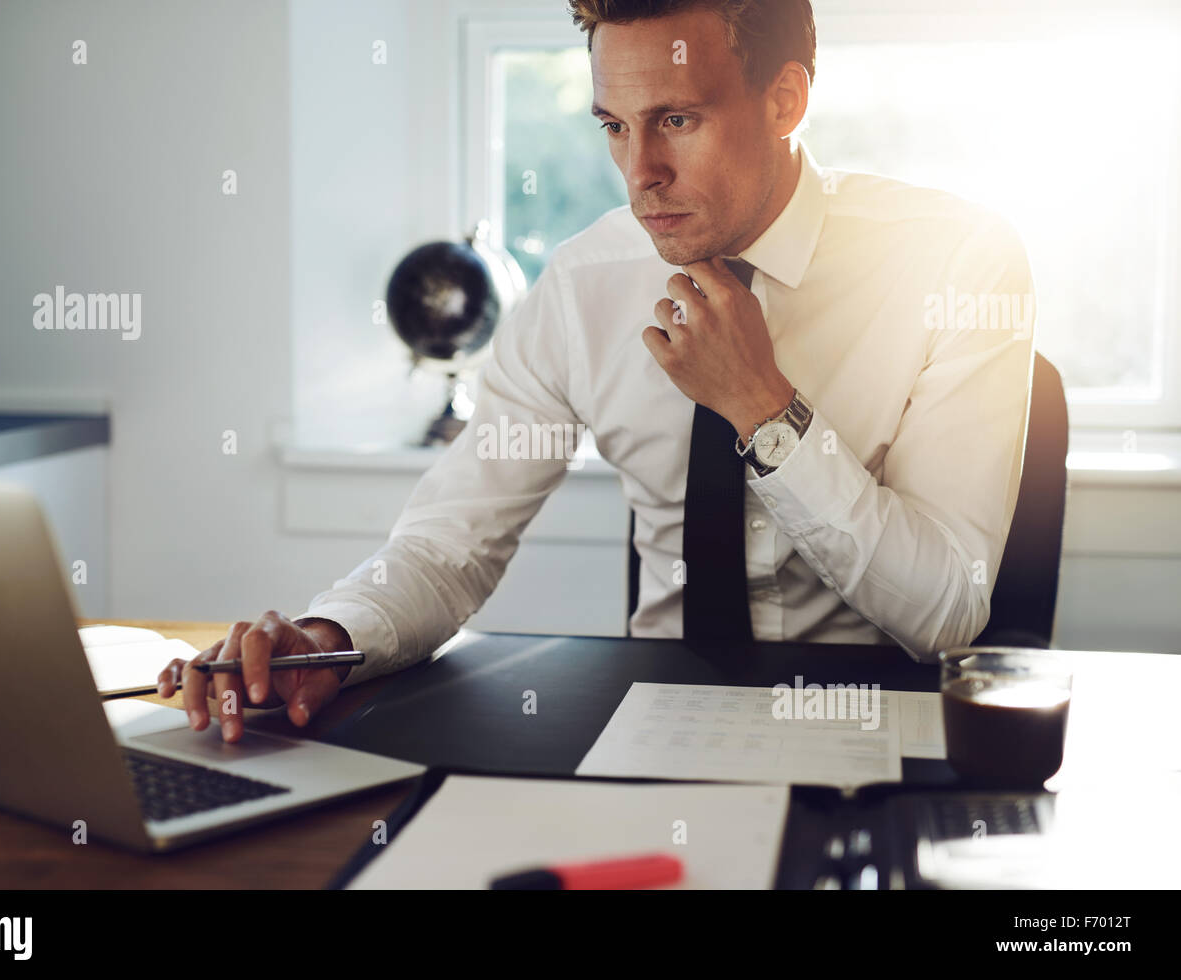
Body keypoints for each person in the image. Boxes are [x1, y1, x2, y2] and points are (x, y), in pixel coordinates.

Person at [160, 0, 1035, 742]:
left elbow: (946, 614)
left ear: (785, 99)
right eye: (616, 126)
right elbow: (448, 547)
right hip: (654, 725)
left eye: (677, 121)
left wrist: (762, 408)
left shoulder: (956, 264)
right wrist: (329, 637)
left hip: (880, 727)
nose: (640, 175)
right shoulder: (585, 287)